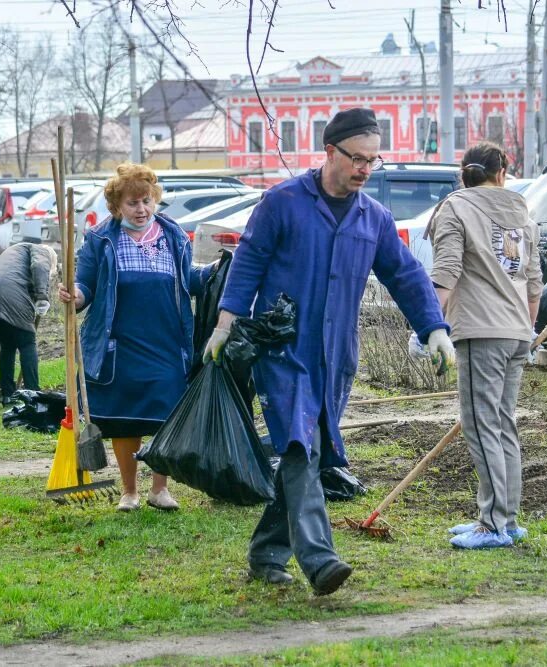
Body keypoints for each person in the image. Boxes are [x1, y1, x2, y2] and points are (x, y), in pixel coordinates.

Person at [203, 108, 453, 596]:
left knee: (313, 453)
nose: (364, 169)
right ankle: (320, 559)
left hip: (336, 357)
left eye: (372, 161)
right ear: (329, 152)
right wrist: (224, 324)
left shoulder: (373, 218)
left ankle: (266, 553)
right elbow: (249, 261)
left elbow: (404, 274)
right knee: (300, 446)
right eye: (356, 158)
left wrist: (434, 328)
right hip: (283, 349)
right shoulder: (283, 203)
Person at [58, 163, 211, 513]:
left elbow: (186, 279)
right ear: (116, 207)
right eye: (132, 203)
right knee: (125, 420)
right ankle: (129, 492)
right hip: (120, 343)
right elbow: (85, 284)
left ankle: (160, 489)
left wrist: (214, 272)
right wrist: (75, 295)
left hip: (166, 341)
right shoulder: (101, 239)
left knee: (166, 416)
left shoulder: (173, 235)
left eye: (146, 201)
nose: (141, 209)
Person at [427, 141, 543, 550]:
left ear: (463, 174)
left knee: (480, 426)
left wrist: (427, 324)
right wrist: (529, 331)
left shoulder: (456, 208)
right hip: (517, 332)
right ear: (502, 173)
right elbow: (533, 284)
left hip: (481, 331)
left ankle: (493, 524)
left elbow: (446, 272)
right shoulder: (524, 215)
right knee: (503, 424)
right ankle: (505, 519)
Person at [0, 242, 57, 404]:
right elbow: (39, 266)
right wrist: (42, 296)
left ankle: (7, 394)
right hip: (7, 291)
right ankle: (33, 394)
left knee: (7, 344)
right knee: (27, 342)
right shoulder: (41, 251)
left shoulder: (16, 252)